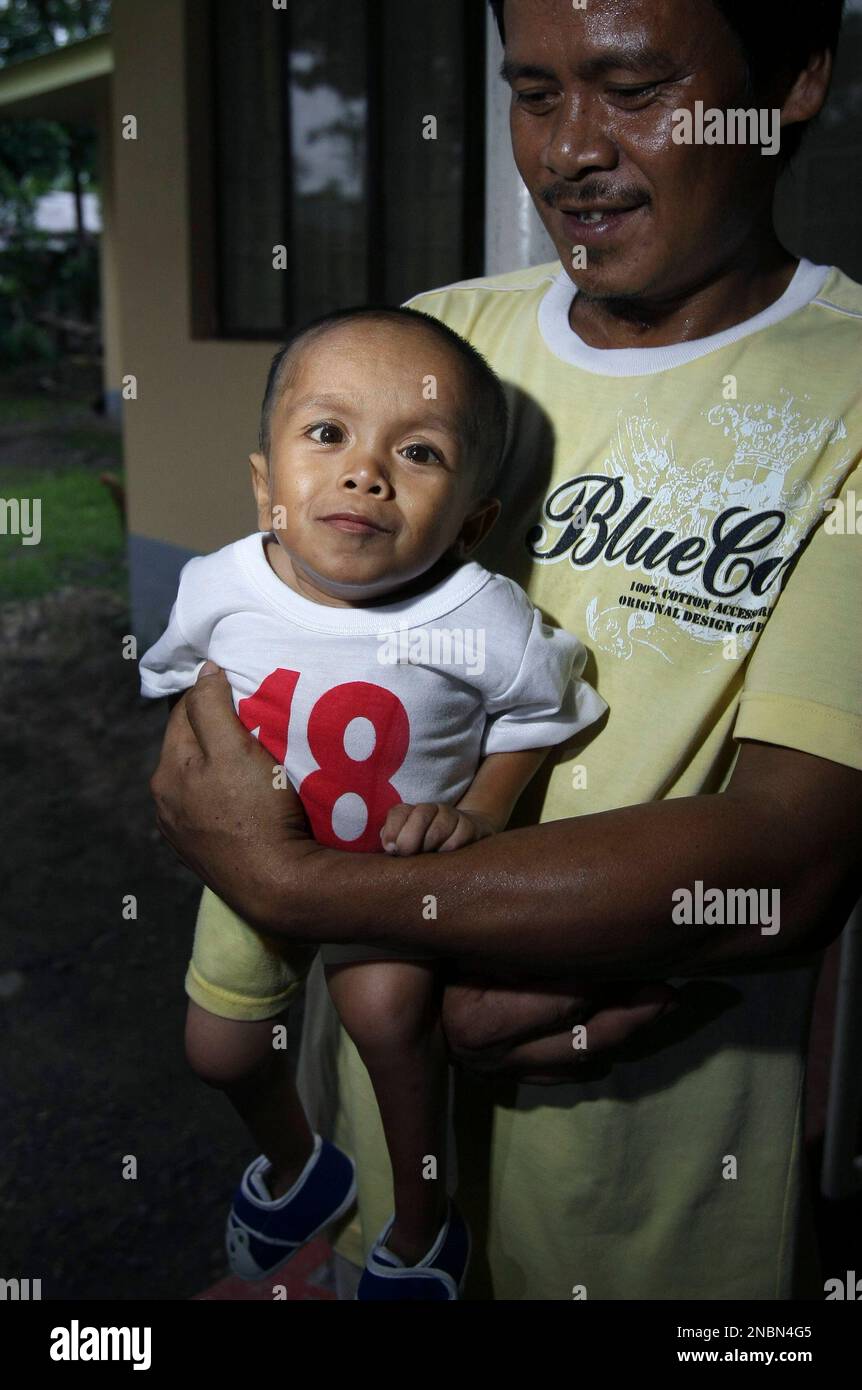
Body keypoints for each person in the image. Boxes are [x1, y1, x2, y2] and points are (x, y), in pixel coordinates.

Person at [151, 0, 862, 1299]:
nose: (566, 151)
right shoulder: (437, 345)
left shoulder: (850, 392)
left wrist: (301, 886)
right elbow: (268, 659)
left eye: (633, 89)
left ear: (795, 81)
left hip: (645, 1208)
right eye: (532, 94)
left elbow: (789, 857)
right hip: (372, 1146)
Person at [139, 305, 609, 1298]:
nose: (365, 473)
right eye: (326, 434)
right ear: (265, 481)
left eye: (420, 452)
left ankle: (422, 1220)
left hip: (393, 881)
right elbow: (189, 684)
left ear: (475, 520)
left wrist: (478, 814)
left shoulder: (483, 616)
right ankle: (301, 1167)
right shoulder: (218, 585)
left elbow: (542, 715)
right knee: (217, 1048)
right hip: (252, 864)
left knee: (387, 1019)